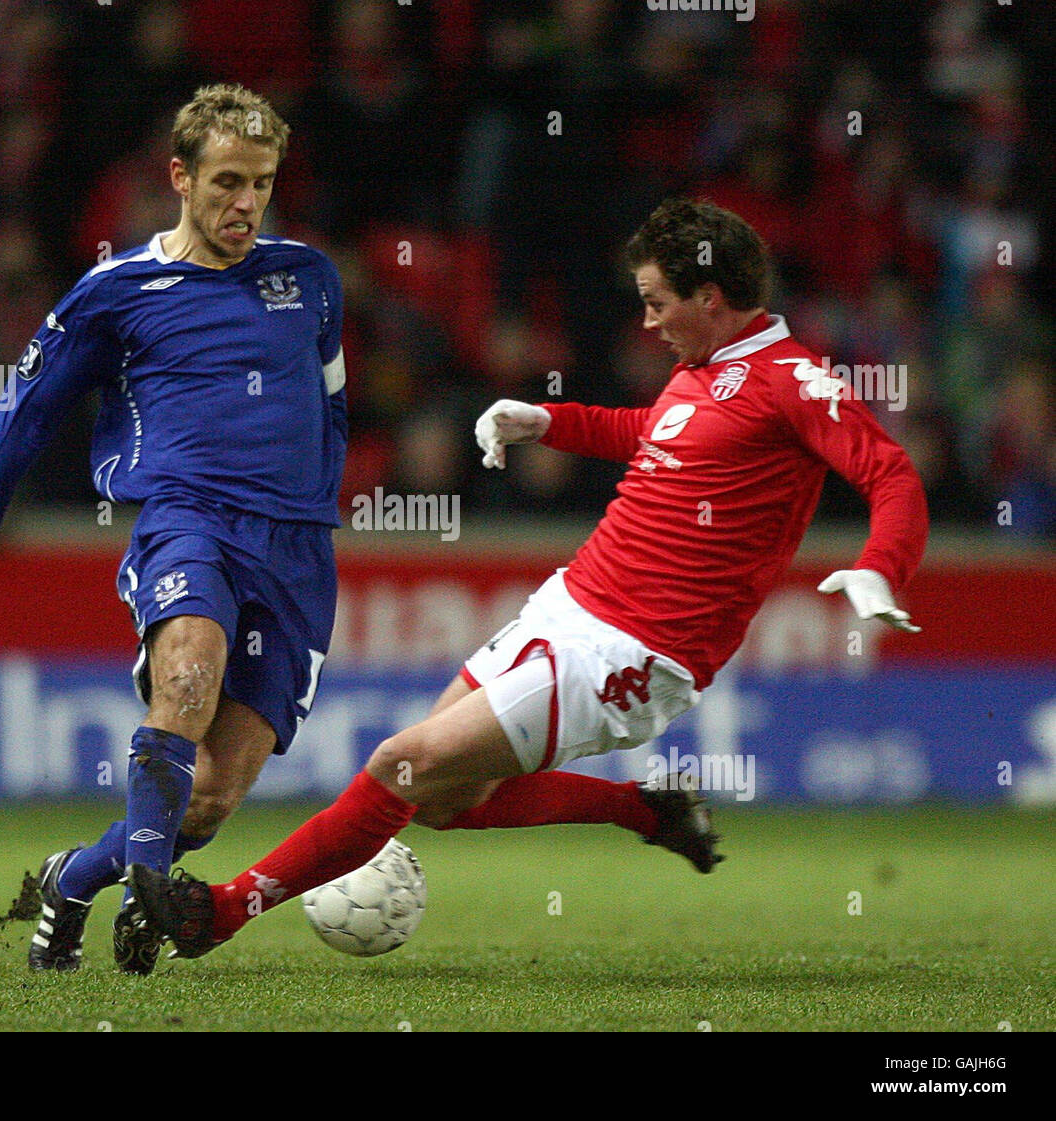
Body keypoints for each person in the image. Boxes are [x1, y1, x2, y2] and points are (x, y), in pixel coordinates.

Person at [125, 198, 930, 959]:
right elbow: (652, 435)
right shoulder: (705, 366)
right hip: (572, 601)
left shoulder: (792, 379)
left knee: (400, 765)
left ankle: (220, 910)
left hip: (635, 651)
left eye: (656, 302)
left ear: (711, 295)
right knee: (443, 799)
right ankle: (643, 809)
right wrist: (548, 421)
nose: (647, 321)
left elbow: (890, 472)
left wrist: (878, 568)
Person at [0, 84, 348, 974]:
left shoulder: (311, 281)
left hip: (295, 548)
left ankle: (74, 879)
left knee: (206, 805)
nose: (245, 204)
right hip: (186, 521)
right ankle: (146, 893)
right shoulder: (117, 293)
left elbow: (330, 411)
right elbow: (23, 416)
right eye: (225, 183)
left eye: (261, 183)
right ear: (179, 176)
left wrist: (312, 513)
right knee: (186, 676)